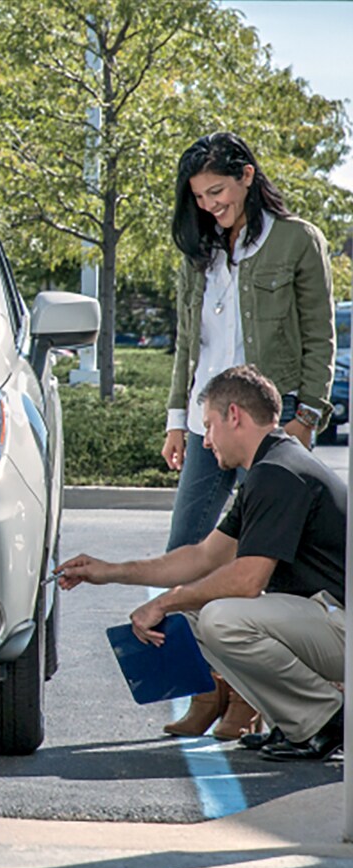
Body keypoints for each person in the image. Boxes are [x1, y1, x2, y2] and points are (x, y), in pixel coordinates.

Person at [58, 365, 345, 762]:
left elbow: (247, 580)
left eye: (208, 426)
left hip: (340, 625)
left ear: (234, 416)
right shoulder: (269, 468)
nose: (206, 442)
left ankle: (325, 720)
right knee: (196, 617)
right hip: (325, 620)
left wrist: (163, 601)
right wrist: (107, 571)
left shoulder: (279, 474)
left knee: (221, 619)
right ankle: (297, 722)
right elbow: (203, 557)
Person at [161, 132, 336, 739]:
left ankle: (248, 701)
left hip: (269, 415)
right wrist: (177, 421)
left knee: (260, 560)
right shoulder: (201, 252)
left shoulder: (296, 240)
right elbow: (189, 344)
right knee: (188, 543)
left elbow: (320, 337)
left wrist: (304, 418)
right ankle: (209, 692)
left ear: (246, 177)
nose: (209, 206)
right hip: (209, 421)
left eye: (217, 191)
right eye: (199, 198)